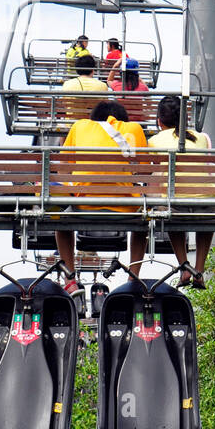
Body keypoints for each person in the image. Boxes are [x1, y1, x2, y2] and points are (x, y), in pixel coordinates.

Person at [55, 99, 149, 292]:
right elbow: (145, 170)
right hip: (126, 207)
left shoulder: (80, 126)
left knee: (61, 223)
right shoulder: (134, 129)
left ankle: (70, 279)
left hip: (84, 205)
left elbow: (63, 166)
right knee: (143, 224)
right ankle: (133, 277)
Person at [148, 95, 214, 288]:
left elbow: (153, 171)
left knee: (169, 207)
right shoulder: (201, 138)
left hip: (174, 204)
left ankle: (184, 266)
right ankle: (198, 270)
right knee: (208, 213)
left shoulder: (154, 141)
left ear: (159, 120)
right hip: (206, 205)